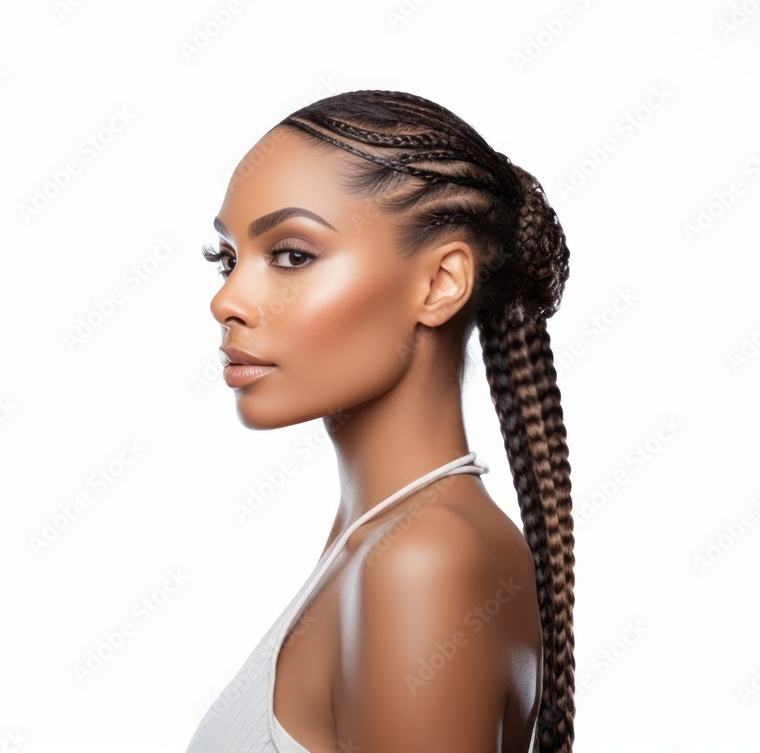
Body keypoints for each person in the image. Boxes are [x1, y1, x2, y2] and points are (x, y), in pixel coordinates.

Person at [187, 90, 575, 753]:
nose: (227, 299)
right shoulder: (380, 540)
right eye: (227, 259)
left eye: (291, 254)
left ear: (439, 284)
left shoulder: (423, 564)